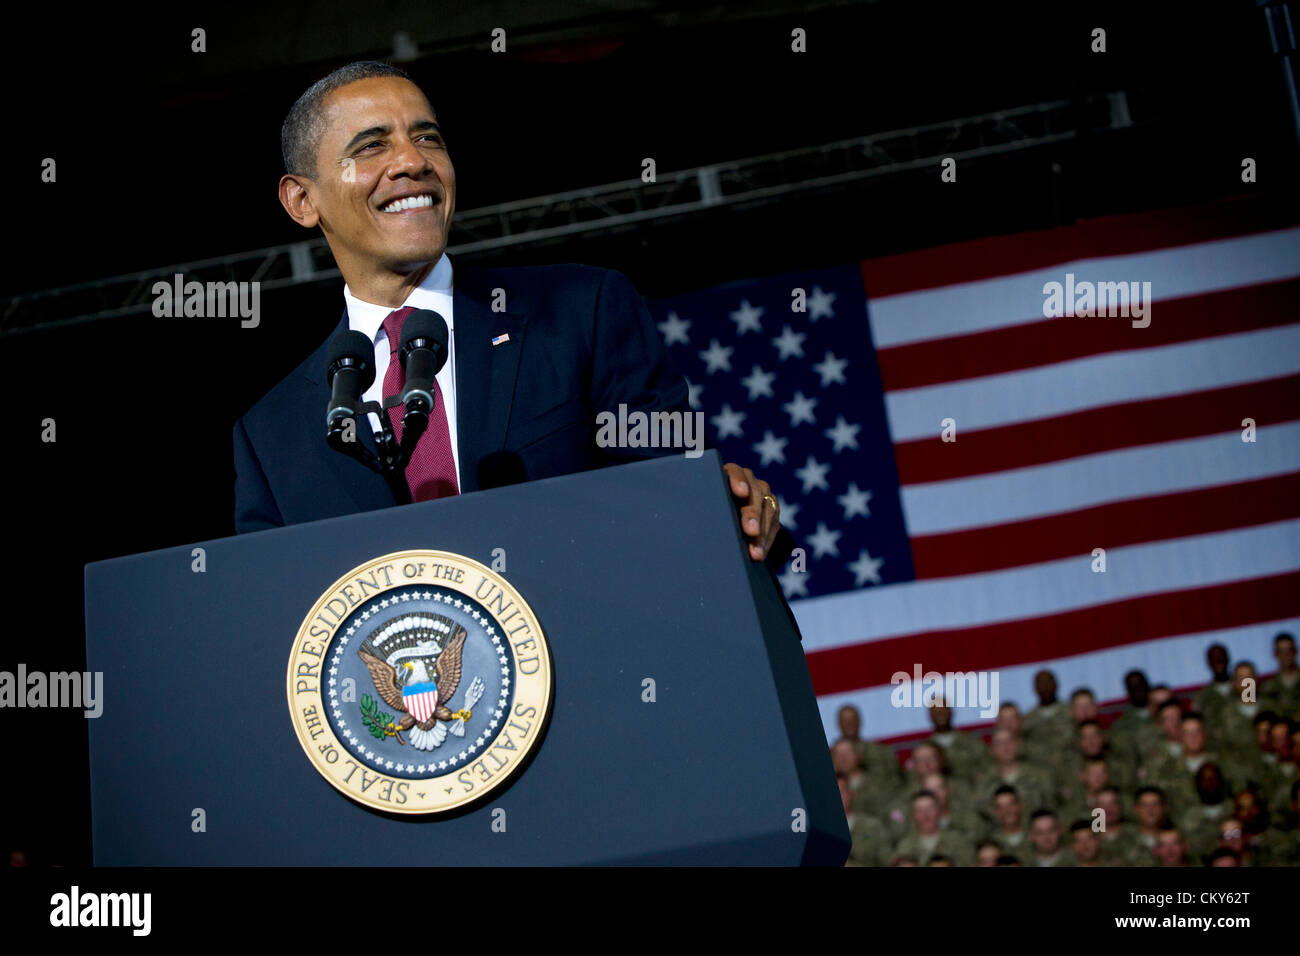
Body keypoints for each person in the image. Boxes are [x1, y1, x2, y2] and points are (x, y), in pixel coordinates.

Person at [232, 60, 792, 569]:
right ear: (303, 200)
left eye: (427, 137)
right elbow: (275, 616)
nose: (413, 161)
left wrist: (733, 506)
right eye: (372, 146)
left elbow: (679, 508)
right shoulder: (272, 435)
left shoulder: (581, 310)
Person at [1261, 632, 1300, 718]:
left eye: (1289, 650)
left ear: (1296, 651)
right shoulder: (1267, 687)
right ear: (1275, 654)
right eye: (1281, 651)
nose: (1286, 655)